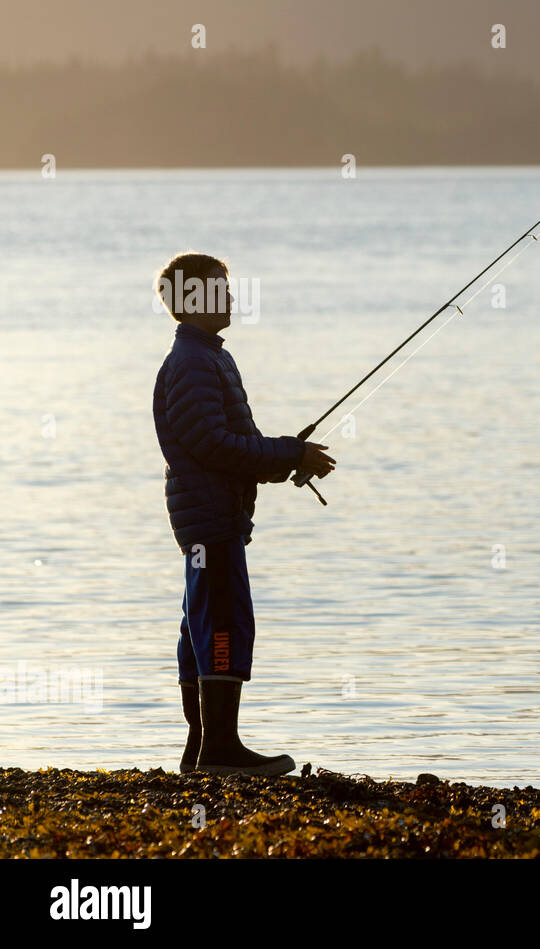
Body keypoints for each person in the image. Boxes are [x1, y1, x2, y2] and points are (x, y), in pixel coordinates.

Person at [151, 252, 335, 776]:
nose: (231, 299)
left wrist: (284, 457)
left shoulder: (205, 356)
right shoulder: (192, 362)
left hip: (210, 514)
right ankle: (220, 752)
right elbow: (213, 444)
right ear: (193, 300)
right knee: (224, 621)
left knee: (201, 623)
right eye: (220, 290)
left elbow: (230, 444)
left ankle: (200, 750)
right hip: (210, 516)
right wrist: (286, 454)